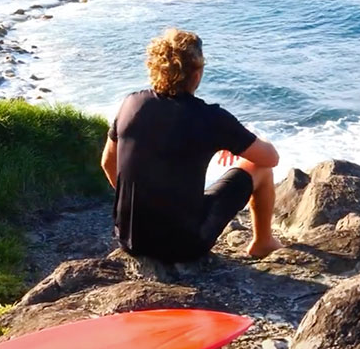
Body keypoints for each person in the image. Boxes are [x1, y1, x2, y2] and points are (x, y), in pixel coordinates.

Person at [101, 28, 283, 263]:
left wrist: (142, 203)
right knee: (260, 168)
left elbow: (107, 162)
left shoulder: (131, 104)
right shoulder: (211, 118)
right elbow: (270, 158)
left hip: (130, 239)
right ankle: (263, 242)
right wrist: (239, 140)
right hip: (184, 246)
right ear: (196, 74)